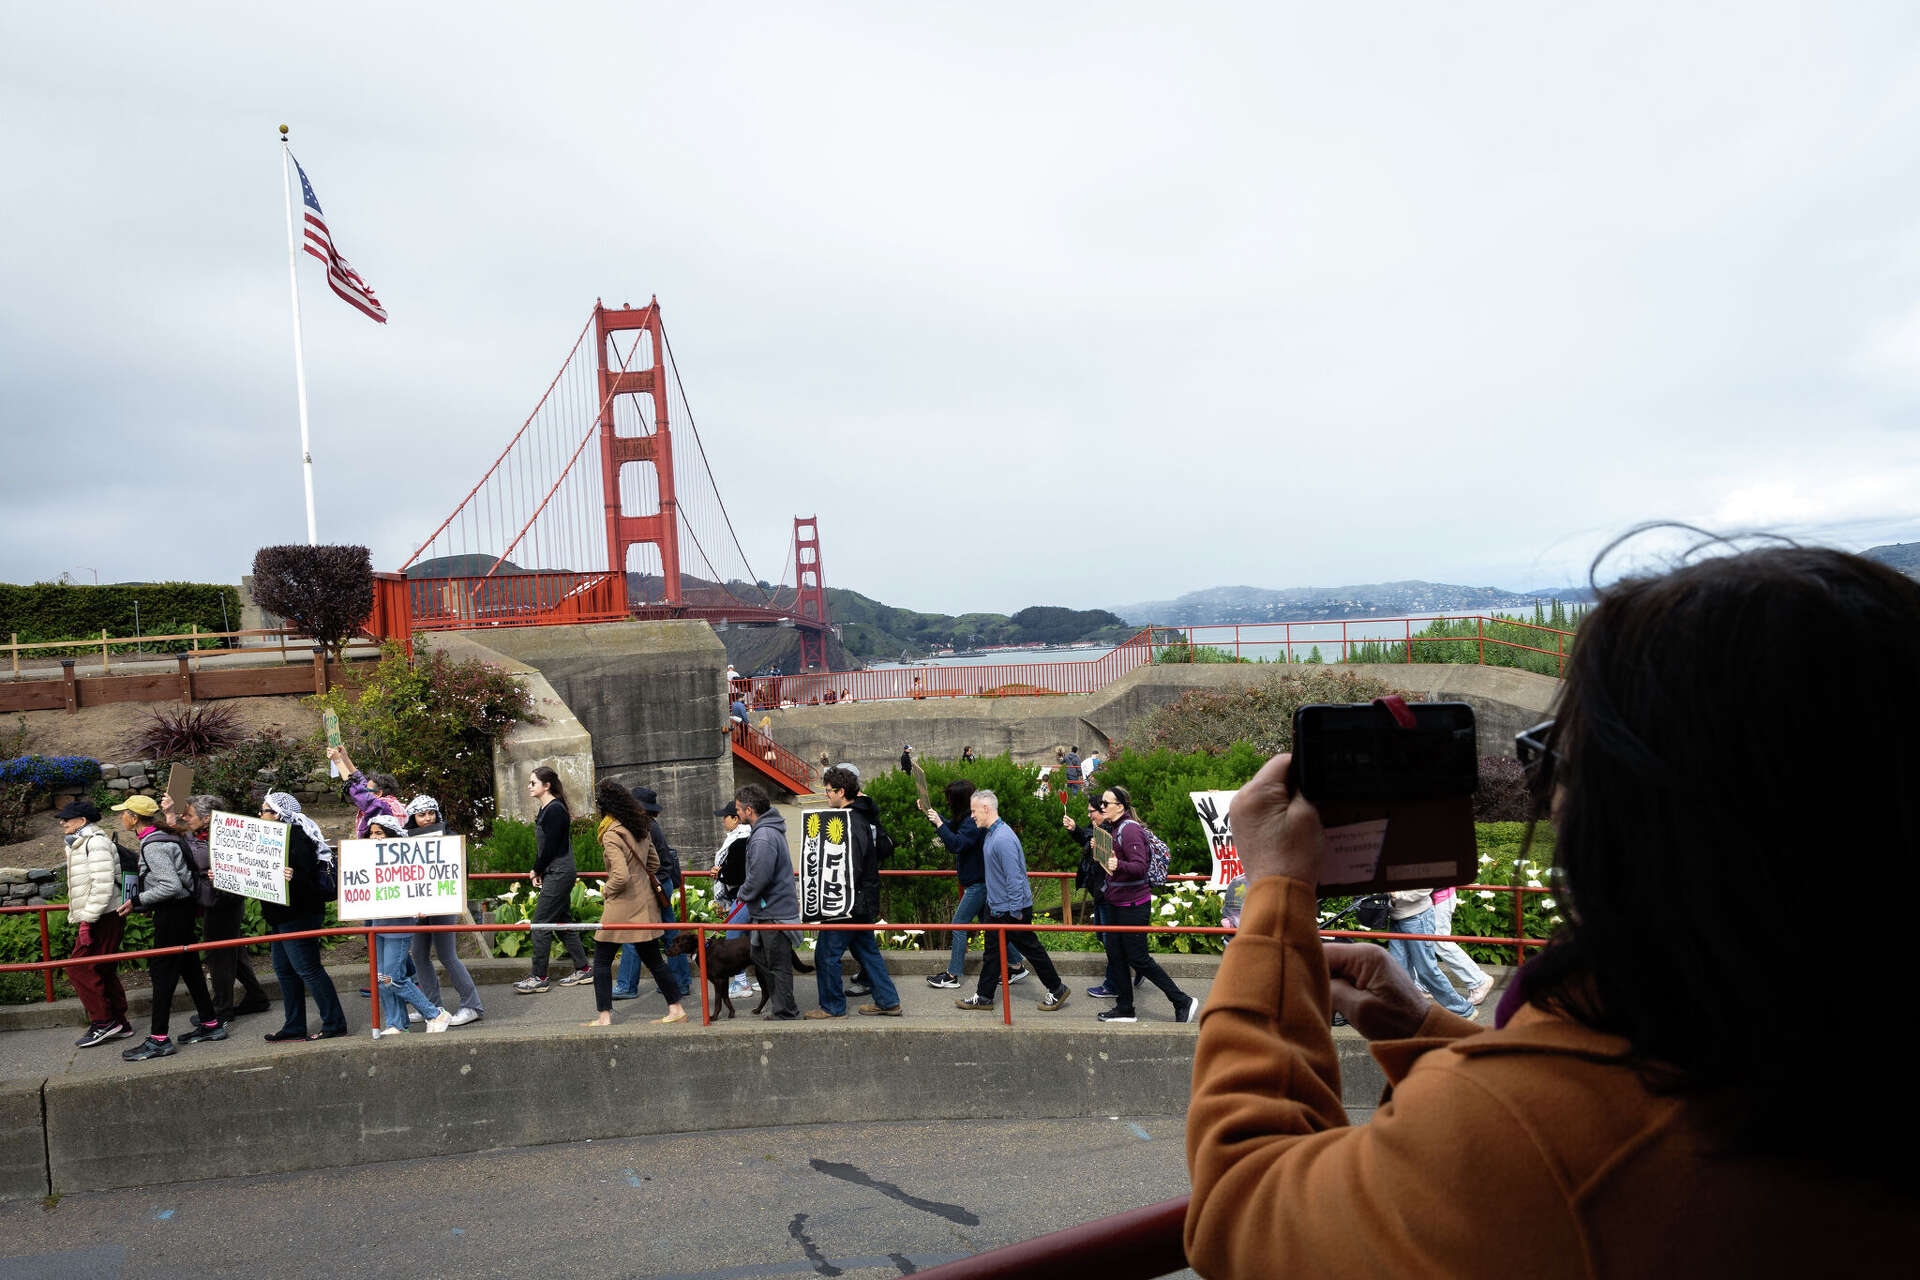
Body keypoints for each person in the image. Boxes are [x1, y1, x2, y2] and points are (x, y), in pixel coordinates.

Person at [1183, 544, 1918, 1276]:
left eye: (1560, 758)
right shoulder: (1826, 1038)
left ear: (1636, 811)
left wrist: (1276, 893)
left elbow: (1241, 1200)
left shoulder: (1547, 1144)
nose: (1550, 792)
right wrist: (1421, 1033)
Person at [112, 795, 224, 1061]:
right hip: (183, 911)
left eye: (124, 813)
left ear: (135, 818)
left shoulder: (154, 845)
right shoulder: (166, 836)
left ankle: (159, 1039)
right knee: (190, 968)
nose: (121, 817)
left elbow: (169, 886)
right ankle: (210, 1024)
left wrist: (137, 900)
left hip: (172, 912)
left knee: (162, 974)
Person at [954, 790, 1070, 1013]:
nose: (972, 816)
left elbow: (1015, 878)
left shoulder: (1002, 838)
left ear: (986, 809)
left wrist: (1015, 911)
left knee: (1032, 950)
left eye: (974, 811)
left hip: (1010, 910)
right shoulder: (991, 834)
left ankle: (1057, 988)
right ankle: (985, 996)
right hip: (997, 907)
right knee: (992, 954)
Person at [1087, 786, 1196, 1024]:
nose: (1101, 807)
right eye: (1101, 803)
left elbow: (1139, 867)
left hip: (1133, 905)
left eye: (1106, 803)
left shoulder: (1131, 830)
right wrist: (1102, 854)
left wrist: (1118, 864)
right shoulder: (1113, 828)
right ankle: (1125, 1008)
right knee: (1115, 955)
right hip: (1117, 902)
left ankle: (1182, 1000)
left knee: (1138, 958)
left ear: (1120, 806)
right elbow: (1115, 863)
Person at [581, 781, 685, 1027]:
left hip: (620, 906)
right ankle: (676, 1008)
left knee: (602, 961)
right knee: (654, 960)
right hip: (644, 905)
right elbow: (654, 864)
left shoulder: (611, 834)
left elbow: (620, 876)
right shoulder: (641, 828)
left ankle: (604, 1016)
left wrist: (607, 890)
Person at [806, 765, 903, 1018]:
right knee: (866, 951)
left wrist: (833, 894)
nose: (826, 795)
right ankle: (888, 1001)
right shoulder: (863, 816)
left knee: (826, 954)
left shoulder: (849, 821)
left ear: (841, 792)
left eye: (828, 792)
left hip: (848, 901)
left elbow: (851, 864)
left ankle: (832, 1006)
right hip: (862, 899)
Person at [172, 794, 271, 1022]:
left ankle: (221, 1009)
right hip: (223, 899)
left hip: (223, 901)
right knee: (233, 951)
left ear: (205, 819)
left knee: (219, 955)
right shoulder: (203, 834)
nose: (185, 817)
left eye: (190, 814)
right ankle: (256, 996)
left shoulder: (219, 838)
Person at [260, 791, 349, 1043]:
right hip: (279, 915)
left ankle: (334, 1023)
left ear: (278, 814)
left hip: (299, 914)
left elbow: (309, 878)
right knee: (284, 971)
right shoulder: (268, 837)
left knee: (308, 969)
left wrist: (293, 876)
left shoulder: (298, 836)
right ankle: (294, 1026)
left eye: (264, 810)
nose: (260, 814)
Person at [923, 778, 1028, 989]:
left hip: (978, 885)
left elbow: (956, 844)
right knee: (992, 927)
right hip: (979, 882)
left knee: (959, 925)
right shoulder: (966, 819)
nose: (947, 803)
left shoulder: (971, 823)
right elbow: (951, 828)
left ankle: (952, 975)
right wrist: (931, 815)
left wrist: (938, 823)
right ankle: (1017, 965)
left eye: (949, 799)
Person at [397, 794, 483, 1026]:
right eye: (422, 814)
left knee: (447, 956)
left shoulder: (450, 837)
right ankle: (431, 1007)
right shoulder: (403, 840)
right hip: (416, 908)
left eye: (431, 813)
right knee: (420, 957)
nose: (427, 818)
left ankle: (472, 1005)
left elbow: (460, 871)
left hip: (442, 904)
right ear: (412, 817)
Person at [365, 810, 453, 1038]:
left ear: (392, 835)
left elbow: (421, 880)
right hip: (378, 924)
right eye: (371, 833)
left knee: (393, 978)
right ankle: (397, 1022)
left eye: (380, 833)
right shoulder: (366, 857)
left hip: (399, 925)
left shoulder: (406, 856)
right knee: (381, 978)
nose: (375, 837)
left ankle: (434, 1013)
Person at [58, 800, 131, 1047]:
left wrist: (87, 921)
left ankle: (104, 1022)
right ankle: (118, 1021)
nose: (62, 822)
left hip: (103, 916)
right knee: (101, 968)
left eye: (67, 818)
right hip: (102, 915)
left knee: (79, 967)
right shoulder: (81, 842)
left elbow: (102, 884)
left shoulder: (96, 842)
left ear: (82, 821)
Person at [611, 786, 693, 1002]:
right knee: (668, 934)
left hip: (651, 886)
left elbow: (648, 863)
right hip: (661, 884)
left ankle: (627, 985)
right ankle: (680, 982)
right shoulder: (651, 826)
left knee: (633, 933)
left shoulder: (642, 828)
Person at [516, 766, 592, 993]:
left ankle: (538, 976)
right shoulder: (548, 809)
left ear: (546, 785)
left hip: (558, 871)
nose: (529, 787)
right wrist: (540, 869)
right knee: (561, 923)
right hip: (555, 871)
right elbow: (546, 847)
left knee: (540, 925)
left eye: (533, 783)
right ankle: (584, 969)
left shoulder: (555, 810)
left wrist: (536, 869)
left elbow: (551, 847)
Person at [732, 784, 799, 1020]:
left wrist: (742, 893)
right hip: (769, 908)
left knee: (777, 963)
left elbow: (759, 876)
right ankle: (781, 1006)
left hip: (773, 910)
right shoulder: (768, 831)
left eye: (739, 809)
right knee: (762, 958)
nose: (737, 812)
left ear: (749, 810)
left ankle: (785, 1010)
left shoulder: (763, 836)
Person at [1063, 794, 1133, 1001]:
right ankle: (1133, 968)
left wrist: (1097, 848)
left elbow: (1124, 863)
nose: (1090, 815)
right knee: (1104, 937)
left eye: (1092, 811)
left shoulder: (1115, 831)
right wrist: (1075, 830)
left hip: (1109, 894)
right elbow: (1085, 838)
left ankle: (1113, 983)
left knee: (1111, 940)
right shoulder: (1096, 829)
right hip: (1100, 892)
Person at [1384, 887, 1475, 1017]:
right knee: (1398, 970)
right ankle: (1407, 1014)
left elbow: (1425, 888)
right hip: (1397, 917)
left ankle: (1463, 1010)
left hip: (1418, 918)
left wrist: (1396, 894)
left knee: (1426, 970)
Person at [709, 800, 756, 1001]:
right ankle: (764, 977)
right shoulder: (751, 835)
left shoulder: (739, 841)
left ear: (735, 819)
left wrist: (720, 873)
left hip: (742, 896)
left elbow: (736, 874)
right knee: (755, 938)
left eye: (725, 817)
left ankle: (741, 982)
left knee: (733, 938)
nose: (722, 821)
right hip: (754, 895)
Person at [1430, 885, 1494, 1005]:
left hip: (1438, 897)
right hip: (1430, 897)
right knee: (1418, 940)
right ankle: (1421, 984)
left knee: (1440, 942)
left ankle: (1478, 981)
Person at [327, 745, 405, 838]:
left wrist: (338, 761)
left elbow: (358, 791)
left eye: (367, 790)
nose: (364, 789)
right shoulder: (391, 804)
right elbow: (360, 781)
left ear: (378, 794)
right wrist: (344, 757)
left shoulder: (382, 808)